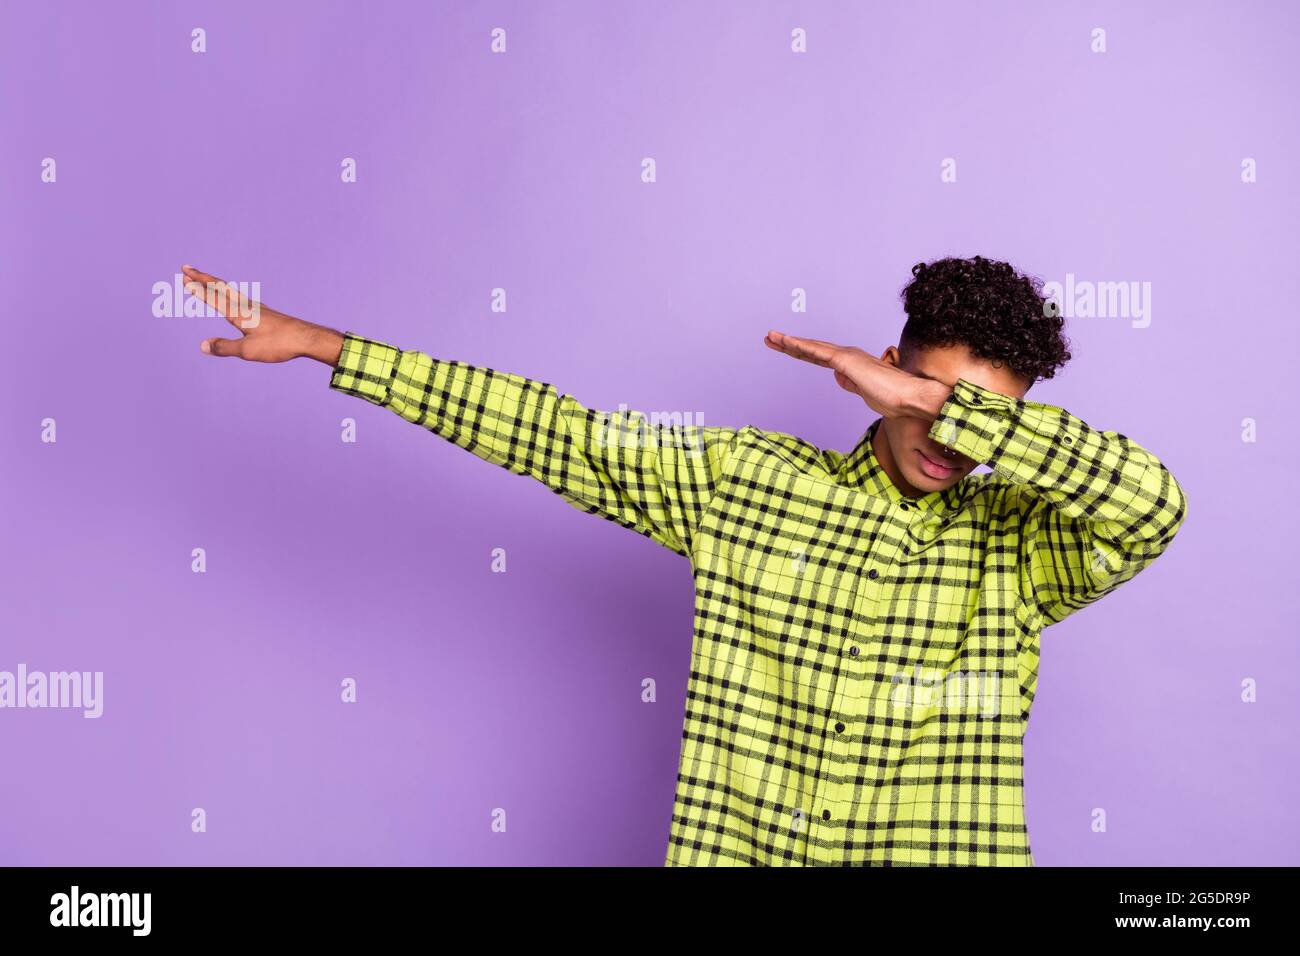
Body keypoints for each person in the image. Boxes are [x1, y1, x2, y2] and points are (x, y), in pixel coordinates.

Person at [181, 255, 1186, 866]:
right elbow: (556, 432)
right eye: (915, 390)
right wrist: (324, 344)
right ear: (883, 369)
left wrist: (940, 405)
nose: (944, 436)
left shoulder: (1023, 539)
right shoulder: (743, 479)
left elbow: (1153, 507)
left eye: (977, 416)